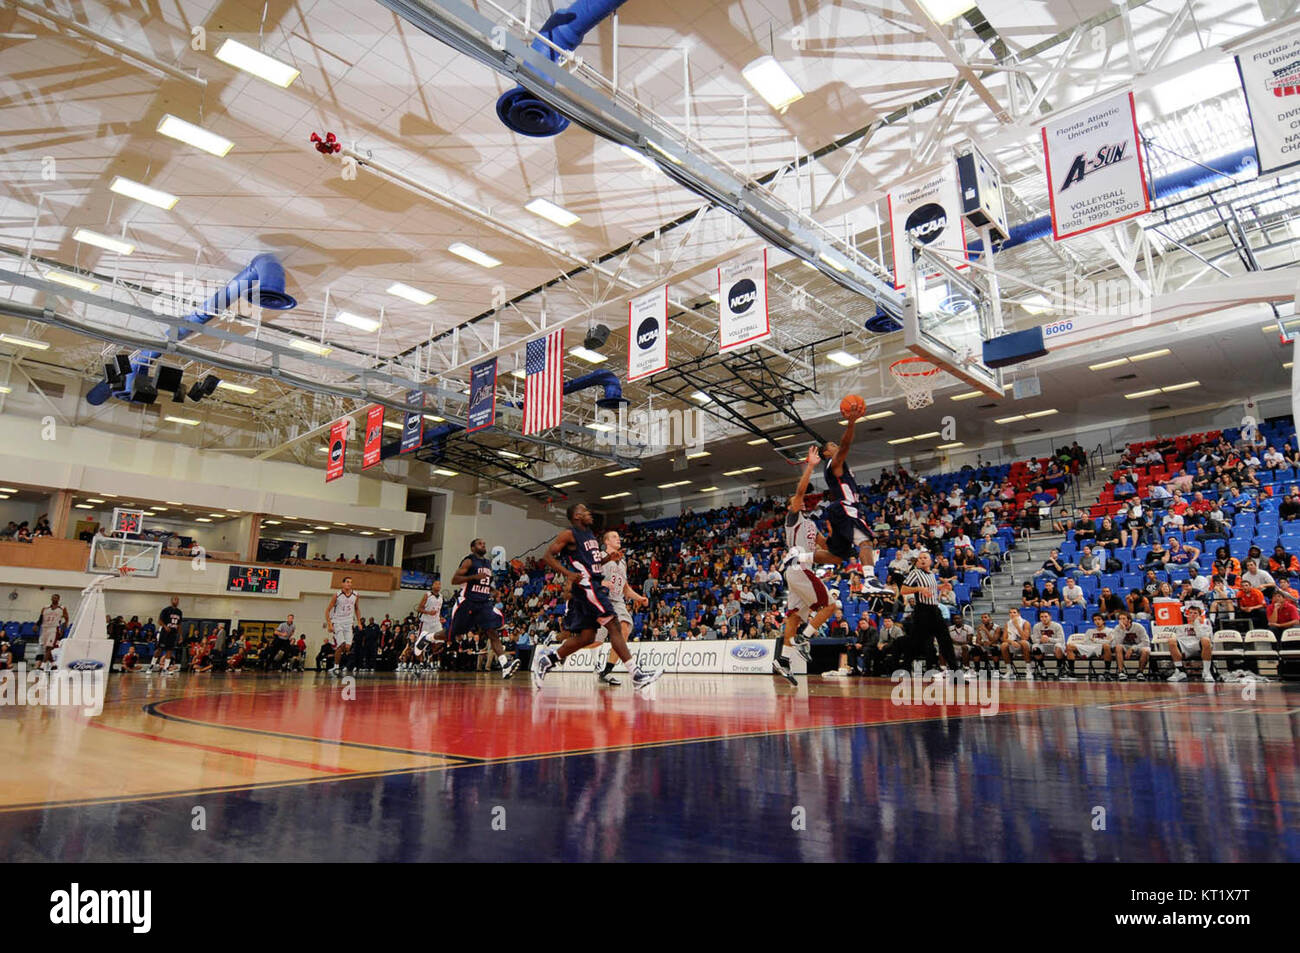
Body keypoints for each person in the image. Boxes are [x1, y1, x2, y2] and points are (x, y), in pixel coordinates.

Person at [534, 504, 661, 690]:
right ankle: (636, 674)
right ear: (577, 516)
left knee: (587, 637)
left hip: (589, 586)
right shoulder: (569, 534)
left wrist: (608, 559)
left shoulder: (590, 535)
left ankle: (548, 659)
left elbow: (592, 563)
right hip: (588, 586)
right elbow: (547, 556)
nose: (589, 513)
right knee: (615, 626)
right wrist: (567, 574)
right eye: (585, 511)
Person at [775, 447, 840, 685]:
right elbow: (800, 490)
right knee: (830, 606)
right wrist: (811, 465)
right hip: (798, 567)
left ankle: (783, 659)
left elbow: (825, 549)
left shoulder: (812, 524)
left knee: (794, 616)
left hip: (801, 570)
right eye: (795, 499)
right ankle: (805, 638)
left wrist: (835, 541)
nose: (798, 499)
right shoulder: (793, 519)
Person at [449, 541, 519, 678]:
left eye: (484, 543)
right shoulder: (469, 561)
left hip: (483, 603)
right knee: (452, 634)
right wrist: (473, 577)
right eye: (480, 544)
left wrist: (493, 591)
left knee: (492, 632)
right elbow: (454, 580)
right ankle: (428, 637)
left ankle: (505, 665)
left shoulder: (487, 563)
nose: (483, 545)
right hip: (468, 601)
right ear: (473, 548)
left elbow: (484, 583)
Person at [819, 411, 877, 572]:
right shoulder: (834, 462)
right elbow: (845, 445)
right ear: (826, 453)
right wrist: (851, 423)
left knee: (837, 557)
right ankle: (870, 579)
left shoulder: (834, 466)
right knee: (865, 542)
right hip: (845, 507)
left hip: (840, 509)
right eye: (832, 445)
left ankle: (800, 557)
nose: (836, 445)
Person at [593, 530, 649, 686]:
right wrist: (602, 583)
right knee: (593, 641)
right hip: (601, 600)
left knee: (624, 628)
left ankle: (606, 671)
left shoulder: (623, 562)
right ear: (606, 542)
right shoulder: (599, 557)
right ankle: (560, 650)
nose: (618, 539)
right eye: (614, 537)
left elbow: (625, 588)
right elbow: (586, 576)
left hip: (617, 602)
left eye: (619, 536)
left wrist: (640, 598)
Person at [898, 551, 958, 674]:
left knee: (946, 641)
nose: (922, 560)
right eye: (920, 558)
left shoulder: (931, 574)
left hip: (935, 610)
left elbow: (931, 588)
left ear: (930, 561)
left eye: (925, 557)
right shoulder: (915, 573)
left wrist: (942, 587)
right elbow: (903, 590)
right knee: (915, 642)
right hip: (922, 611)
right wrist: (919, 589)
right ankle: (905, 669)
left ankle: (956, 674)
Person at [1167, 603, 1214, 682]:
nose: (1192, 615)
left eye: (1195, 613)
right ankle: (1180, 671)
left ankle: (1206, 672)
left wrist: (1196, 623)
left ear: (1199, 615)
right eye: (1191, 613)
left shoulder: (1206, 626)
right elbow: (1179, 640)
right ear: (1187, 614)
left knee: (1205, 640)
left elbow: (1201, 636)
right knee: (1171, 640)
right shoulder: (1182, 627)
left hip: (1199, 647)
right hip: (1185, 647)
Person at [324, 577, 360, 676]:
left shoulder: (356, 595)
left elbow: (357, 609)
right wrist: (330, 624)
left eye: (351, 582)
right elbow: (327, 610)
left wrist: (359, 622)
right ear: (342, 584)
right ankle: (336, 667)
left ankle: (344, 665)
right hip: (338, 622)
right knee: (341, 645)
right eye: (347, 582)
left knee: (348, 647)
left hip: (349, 623)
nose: (349, 584)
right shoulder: (337, 595)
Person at [408, 580, 446, 672]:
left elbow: (438, 610)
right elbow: (419, 608)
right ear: (432, 585)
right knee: (419, 644)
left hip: (436, 622)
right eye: (436, 584)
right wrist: (429, 612)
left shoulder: (441, 596)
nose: (438, 585)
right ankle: (419, 664)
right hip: (426, 622)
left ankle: (429, 652)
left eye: (439, 584)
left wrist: (441, 617)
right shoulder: (427, 595)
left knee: (441, 641)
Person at [1063, 614, 1116, 680]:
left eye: (1099, 619)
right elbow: (1087, 643)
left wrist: (1095, 640)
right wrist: (1102, 641)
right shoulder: (1089, 631)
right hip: (1089, 647)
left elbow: (1109, 642)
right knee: (1069, 646)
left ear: (1103, 621)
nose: (1097, 621)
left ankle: (1107, 672)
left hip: (1101, 648)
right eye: (1095, 620)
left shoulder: (1110, 631)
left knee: (1106, 646)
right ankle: (1072, 672)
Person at [1029, 608, 1066, 678]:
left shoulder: (1057, 626)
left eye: (1046, 616)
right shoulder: (1036, 626)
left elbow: (1061, 640)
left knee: (1059, 646)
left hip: (1054, 645)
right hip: (1043, 645)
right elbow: (1034, 640)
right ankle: (1042, 668)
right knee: (1035, 648)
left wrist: (1049, 639)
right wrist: (1040, 640)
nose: (1044, 618)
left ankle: (1058, 668)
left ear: (1050, 617)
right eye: (1042, 617)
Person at [37, 594, 68, 671]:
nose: (55, 599)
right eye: (53, 597)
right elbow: (41, 618)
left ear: (59, 599)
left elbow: (66, 619)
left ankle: (42, 666)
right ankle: (54, 665)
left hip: (54, 628)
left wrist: (62, 629)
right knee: (46, 648)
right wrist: (36, 625)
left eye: (56, 598)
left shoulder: (62, 608)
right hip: (44, 628)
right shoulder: (45, 608)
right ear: (51, 598)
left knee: (49, 647)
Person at [154, 595, 183, 674]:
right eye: (175, 599)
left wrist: (180, 636)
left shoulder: (179, 612)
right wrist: (165, 626)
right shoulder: (166, 610)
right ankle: (152, 665)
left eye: (177, 600)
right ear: (171, 601)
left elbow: (179, 625)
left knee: (169, 650)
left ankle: (165, 668)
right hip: (164, 633)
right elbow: (159, 621)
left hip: (173, 633)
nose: (176, 601)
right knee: (159, 649)